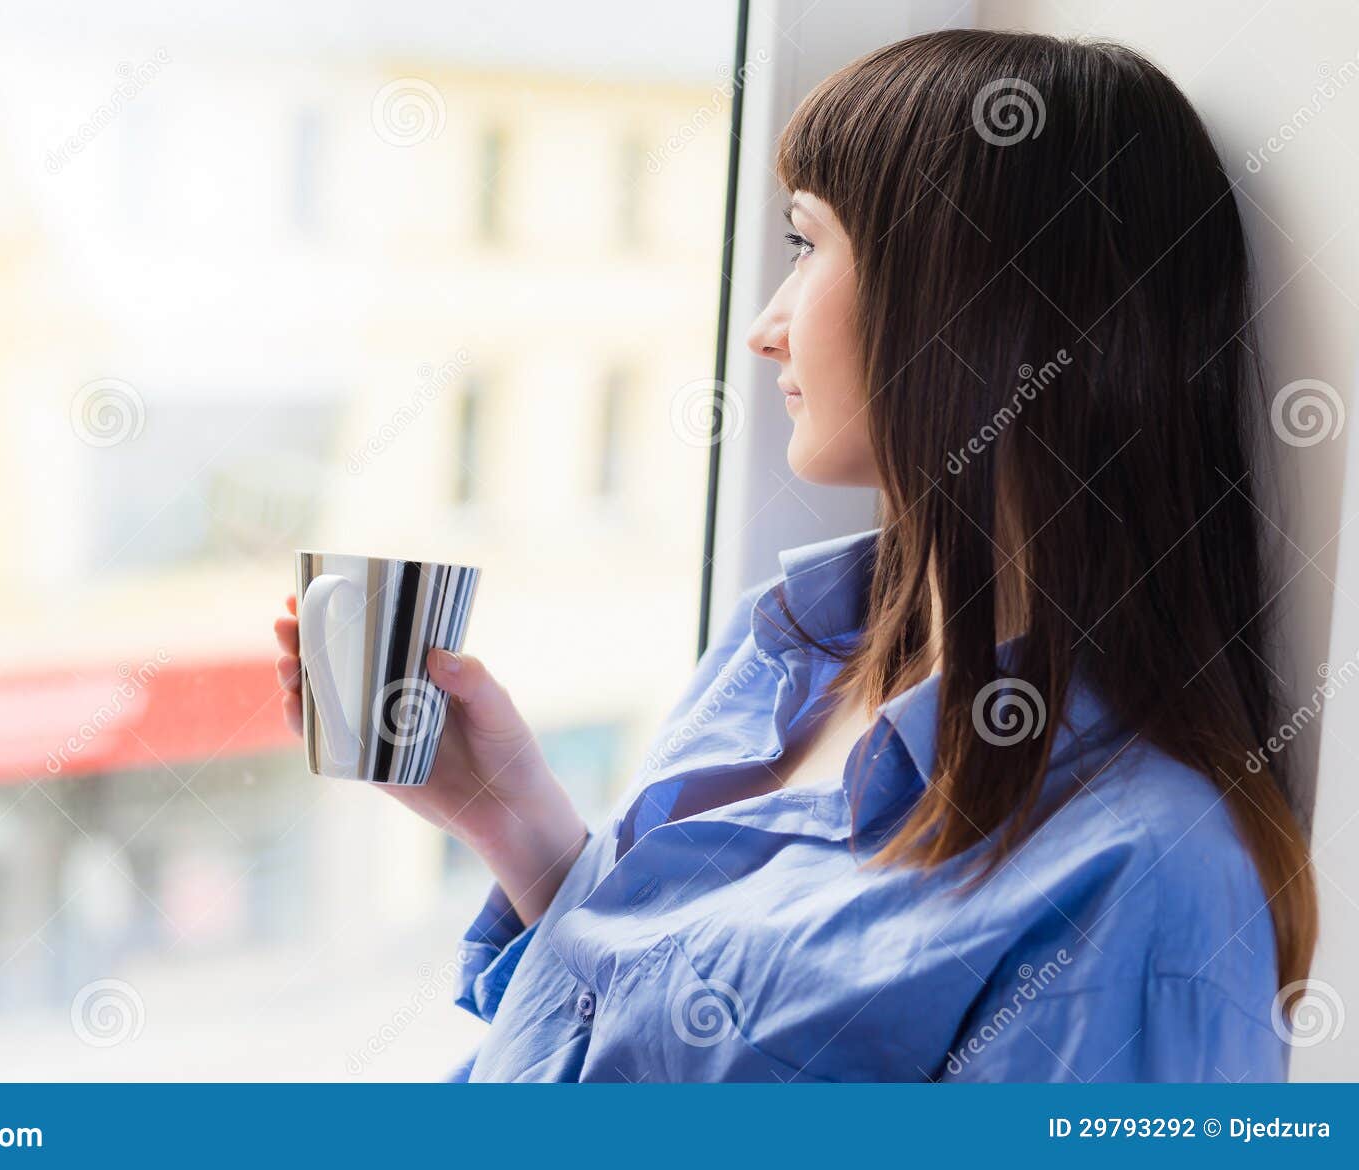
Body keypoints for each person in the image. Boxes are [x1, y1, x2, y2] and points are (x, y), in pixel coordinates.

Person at [273, 29, 1317, 1081]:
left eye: (807, 244)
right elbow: (641, 1033)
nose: (765, 329)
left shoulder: (1146, 884)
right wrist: (514, 822)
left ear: (972, 302)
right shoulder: (787, 646)